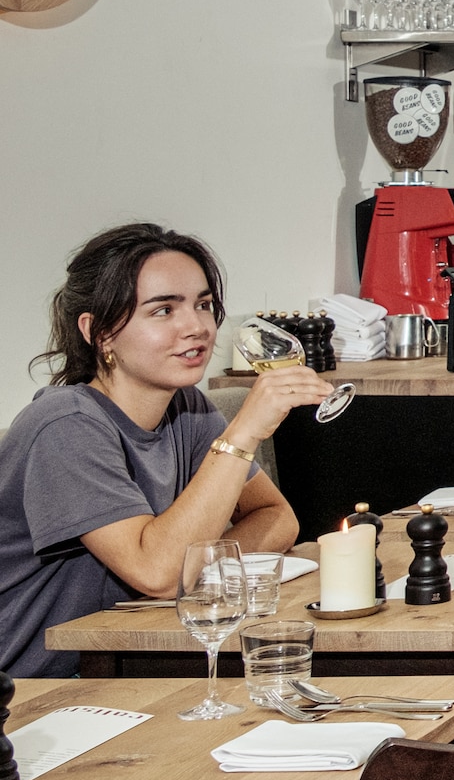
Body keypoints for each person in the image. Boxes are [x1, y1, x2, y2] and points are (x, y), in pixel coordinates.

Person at [0, 223, 317, 679]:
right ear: (100, 332)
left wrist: (193, 570)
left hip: (124, 665)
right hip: (34, 696)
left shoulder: (186, 407)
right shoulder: (65, 426)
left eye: (203, 305)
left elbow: (277, 517)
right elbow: (158, 574)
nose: (196, 327)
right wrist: (245, 432)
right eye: (163, 310)